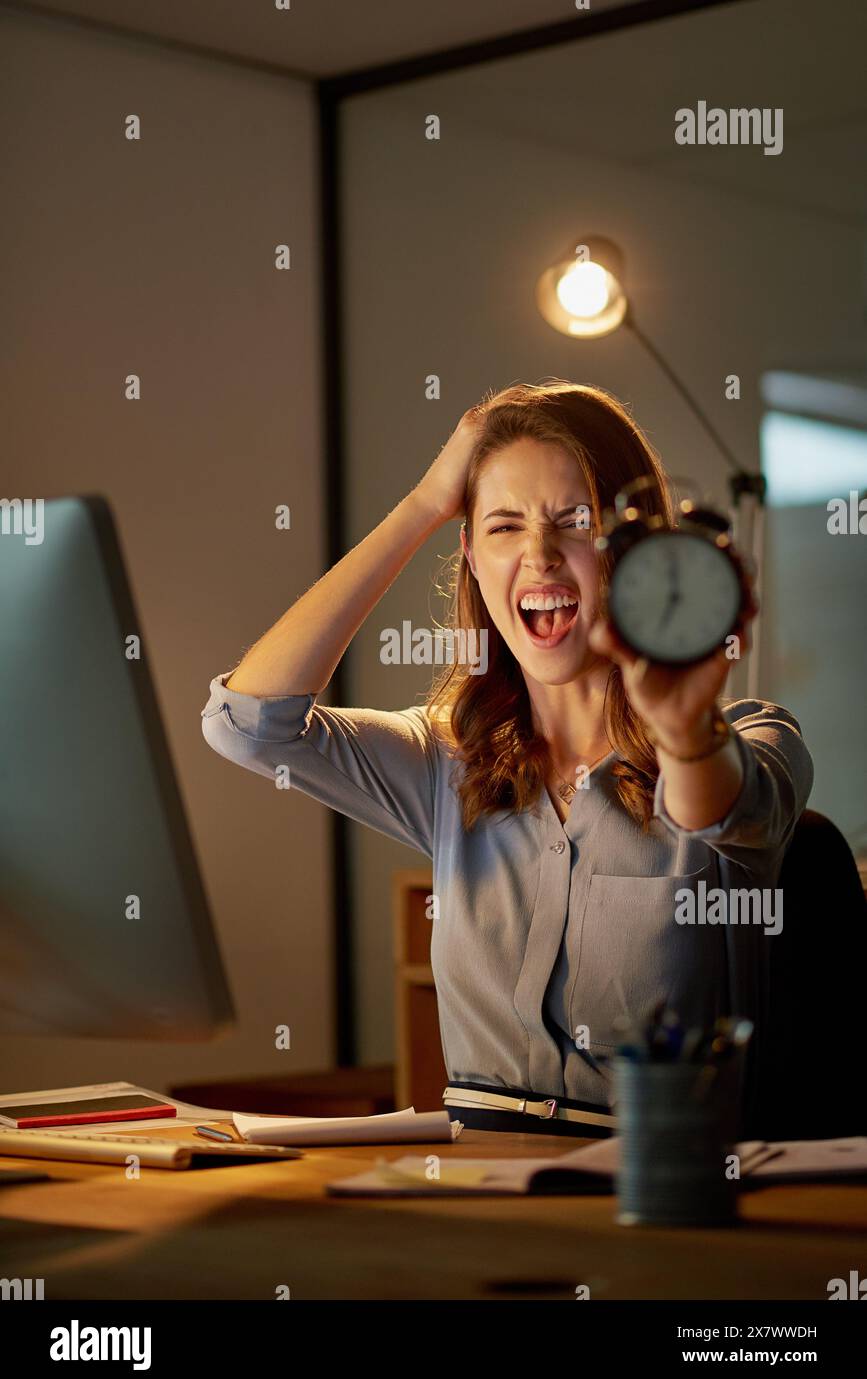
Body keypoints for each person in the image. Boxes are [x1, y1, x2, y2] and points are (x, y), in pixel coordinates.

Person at [201, 380, 813, 1138]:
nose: (539, 555)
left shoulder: (748, 738)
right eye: (502, 526)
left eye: (573, 521)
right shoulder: (446, 760)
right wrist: (425, 503)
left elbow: (721, 809)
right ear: (470, 559)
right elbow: (246, 726)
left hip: (661, 1197)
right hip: (475, 1189)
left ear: (639, 547)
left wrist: (682, 731)